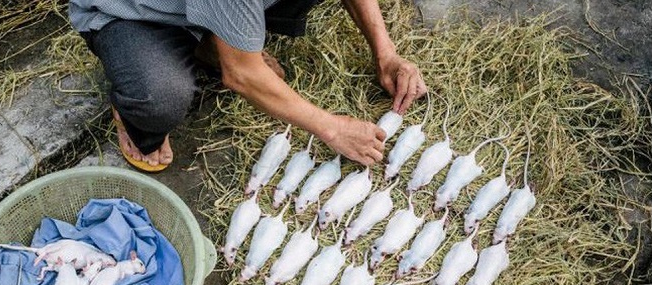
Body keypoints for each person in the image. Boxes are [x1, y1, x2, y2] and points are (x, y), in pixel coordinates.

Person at [69, 0, 427, 172]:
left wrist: (386, 54)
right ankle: (138, 107)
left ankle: (217, 39)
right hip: (135, 15)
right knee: (158, 99)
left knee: (232, 24)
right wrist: (333, 129)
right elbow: (241, 75)